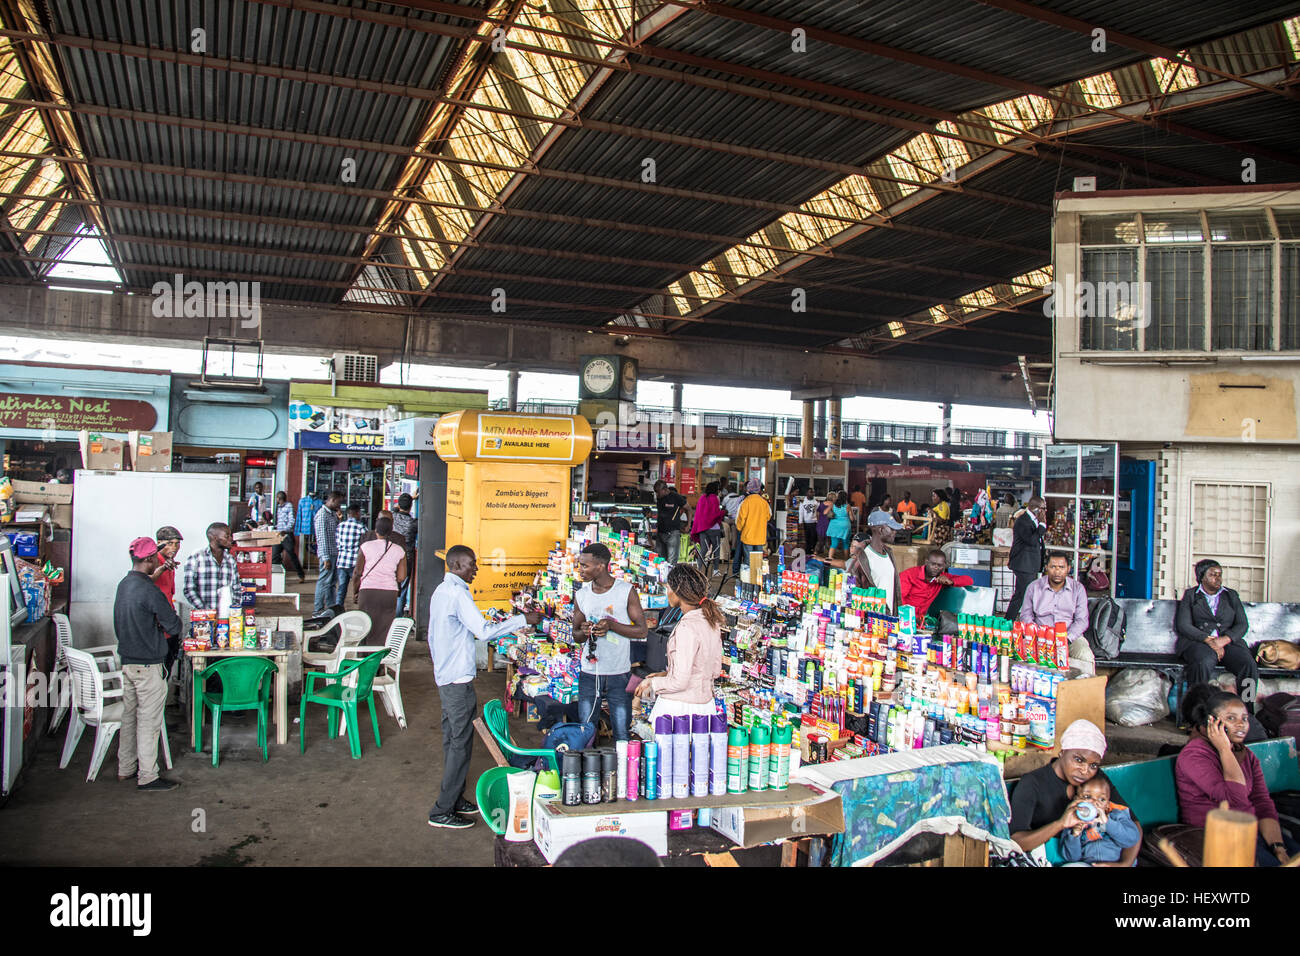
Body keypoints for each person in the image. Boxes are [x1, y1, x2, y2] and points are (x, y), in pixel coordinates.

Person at [427, 545, 542, 829]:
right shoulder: (456, 594)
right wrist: (521, 620)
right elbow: (484, 632)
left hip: (446, 675)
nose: (476, 569)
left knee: (452, 738)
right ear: (456, 566)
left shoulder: (443, 591)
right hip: (456, 680)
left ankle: (454, 797)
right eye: (471, 565)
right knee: (460, 743)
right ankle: (442, 810)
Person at [1174, 684, 1297, 866]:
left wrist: (1278, 847)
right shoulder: (1194, 755)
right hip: (1217, 838)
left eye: (1244, 718)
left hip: (1250, 831)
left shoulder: (1243, 753)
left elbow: (1261, 801)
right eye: (1230, 718)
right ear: (1210, 721)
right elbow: (1236, 797)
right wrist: (1224, 749)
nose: (1241, 725)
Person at [1009, 719, 1142, 866]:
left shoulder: (1096, 781)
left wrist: (1124, 864)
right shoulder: (1033, 783)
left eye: (1093, 765)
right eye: (1078, 760)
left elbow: (1134, 825)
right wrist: (1060, 824)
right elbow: (1016, 842)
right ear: (1062, 752)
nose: (1085, 771)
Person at [113, 538, 182, 792]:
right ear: (151, 559)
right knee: (149, 721)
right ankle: (148, 776)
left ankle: (125, 769)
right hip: (149, 664)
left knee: (129, 717)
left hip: (128, 662)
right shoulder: (150, 591)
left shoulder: (125, 585)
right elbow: (173, 625)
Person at [570, 543, 648, 742]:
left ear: (601, 566)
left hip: (618, 673)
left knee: (621, 731)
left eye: (585, 566)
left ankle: (622, 772)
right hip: (589, 673)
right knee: (586, 729)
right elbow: (575, 635)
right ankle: (587, 771)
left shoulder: (625, 591)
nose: (580, 570)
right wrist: (584, 631)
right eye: (580, 565)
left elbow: (641, 630)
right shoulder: (582, 595)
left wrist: (612, 626)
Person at [633, 563, 723, 722]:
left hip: (679, 712)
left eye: (668, 587)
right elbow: (714, 671)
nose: (667, 593)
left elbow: (680, 682)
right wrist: (668, 674)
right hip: (706, 708)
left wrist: (652, 682)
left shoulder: (687, 628)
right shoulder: (711, 621)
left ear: (678, 592)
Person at [1175, 559, 1257, 713]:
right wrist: (1209, 640)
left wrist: (1224, 640)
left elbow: (1242, 624)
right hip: (1199, 642)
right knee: (1202, 663)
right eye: (1213, 575)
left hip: (1228, 642)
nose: (1218, 578)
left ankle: (1248, 710)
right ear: (1201, 577)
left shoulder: (1231, 595)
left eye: (1220, 574)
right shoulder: (1191, 595)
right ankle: (1197, 714)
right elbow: (1184, 625)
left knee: (1249, 665)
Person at [1018, 552, 1090, 668]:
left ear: (1068, 569)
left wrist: (1066, 639)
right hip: (1040, 637)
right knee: (1022, 656)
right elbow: (1026, 615)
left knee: (1085, 655)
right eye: (1053, 567)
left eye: (1061, 567)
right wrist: (1037, 635)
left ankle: (1086, 685)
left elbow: (1082, 620)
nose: (1057, 571)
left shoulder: (1078, 589)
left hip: (1069, 637)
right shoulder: (1034, 587)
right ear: (1046, 568)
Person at [1056, 771, 1142, 865]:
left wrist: (1108, 823)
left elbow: (1131, 840)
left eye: (1102, 799)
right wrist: (1075, 835)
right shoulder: (1073, 823)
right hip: (1088, 864)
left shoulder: (1116, 816)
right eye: (1087, 796)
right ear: (1076, 800)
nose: (1095, 803)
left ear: (1107, 804)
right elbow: (1071, 857)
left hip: (1116, 863)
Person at [351, 515, 407, 645]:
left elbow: (357, 573)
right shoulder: (399, 550)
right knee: (384, 628)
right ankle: (380, 659)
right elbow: (401, 577)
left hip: (368, 591)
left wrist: (355, 591)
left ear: (376, 531)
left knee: (365, 624)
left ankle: (364, 658)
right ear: (391, 531)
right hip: (389, 593)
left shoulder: (365, 547)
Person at [848, 512, 903, 612]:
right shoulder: (861, 559)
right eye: (892, 529)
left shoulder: (889, 554)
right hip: (872, 621)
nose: (895, 532)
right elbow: (850, 592)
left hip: (889, 619)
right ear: (881, 530)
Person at [898, 549, 974, 621]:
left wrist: (951, 581)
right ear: (926, 562)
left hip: (922, 620)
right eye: (933, 564)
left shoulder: (942, 578)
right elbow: (899, 599)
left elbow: (969, 580)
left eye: (939, 565)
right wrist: (911, 617)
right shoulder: (909, 575)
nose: (936, 567)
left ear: (944, 565)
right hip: (904, 618)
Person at [181, 522, 238, 611]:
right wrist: (206, 611)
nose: (231, 539)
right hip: (203, 618)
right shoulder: (197, 557)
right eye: (227, 536)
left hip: (227, 617)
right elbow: (189, 589)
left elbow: (236, 588)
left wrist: (234, 609)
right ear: (214, 537)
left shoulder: (230, 560)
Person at [1007, 496, 1047, 620]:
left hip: (1030, 564)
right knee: (1021, 594)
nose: (1045, 511)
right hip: (1024, 564)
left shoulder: (1032, 520)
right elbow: (1031, 540)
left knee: (1028, 594)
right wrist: (1042, 526)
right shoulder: (1023, 521)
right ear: (1037, 509)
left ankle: (1027, 621)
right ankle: (1008, 621)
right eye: (1044, 508)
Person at [151, 526, 183, 675]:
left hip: (169, 625)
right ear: (159, 543)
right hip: (158, 628)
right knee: (160, 672)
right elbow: (147, 580)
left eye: (177, 543)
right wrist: (162, 567)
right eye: (170, 543)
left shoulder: (169, 562)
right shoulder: (153, 560)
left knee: (166, 670)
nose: (174, 547)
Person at [312, 491, 343, 617]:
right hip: (327, 554)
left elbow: (336, 532)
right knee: (324, 581)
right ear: (333, 500)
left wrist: (339, 518)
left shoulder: (332, 514)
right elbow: (322, 538)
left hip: (334, 552)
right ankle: (318, 609)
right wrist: (325, 558)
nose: (340, 505)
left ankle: (331, 608)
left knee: (331, 582)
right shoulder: (322, 515)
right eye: (339, 502)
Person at [732, 479, 771, 576]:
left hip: (747, 536)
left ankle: (748, 578)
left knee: (748, 560)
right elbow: (768, 516)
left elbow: (740, 520)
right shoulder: (764, 503)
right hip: (760, 536)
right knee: (758, 560)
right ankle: (757, 578)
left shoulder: (745, 502)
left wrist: (740, 529)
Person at [689, 481, 724, 578]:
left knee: (703, 549)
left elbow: (699, 514)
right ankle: (715, 570)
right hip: (714, 529)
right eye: (718, 489)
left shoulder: (702, 498)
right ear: (715, 490)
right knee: (716, 549)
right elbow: (715, 514)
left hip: (702, 528)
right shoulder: (715, 498)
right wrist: (723, 512)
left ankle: (699, 570)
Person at [333, 504, 366, 606]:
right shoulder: (361, 527)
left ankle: (338, 610)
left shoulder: (340, 526)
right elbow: (365, 545)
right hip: (355, 563)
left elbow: (337, 544)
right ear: (356, 513)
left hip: (342, 562)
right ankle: (361, 608)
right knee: (360, 587)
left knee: (341, 588)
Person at [392, 493, 418, 616]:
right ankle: (397, 618)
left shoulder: (393, 516)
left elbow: (395, 507)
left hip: (391, 557)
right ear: (411, 506)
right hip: (406, 559)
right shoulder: (412, 523)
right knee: (402, 590)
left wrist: (410, 498)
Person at [272, 491, 305, 582]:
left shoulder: (289, 506)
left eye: (277, 498)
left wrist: (285, 530)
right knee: (274, 555)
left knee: (291, 555)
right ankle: (278, 575)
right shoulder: (278, 507)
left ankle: (301, 575)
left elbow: (291, 520)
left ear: (279, 498)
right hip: (278, 534)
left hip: (286, 535)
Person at [653, 480, 688, 563]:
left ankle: (670, 576)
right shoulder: (659, 499)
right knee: (659, 561)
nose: (656, 494)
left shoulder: (676, 497)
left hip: (672, 534)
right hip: (661, 533)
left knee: (671, 562)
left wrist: (688, 525)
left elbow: (689, 509)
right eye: (655, 492)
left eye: (658, 492)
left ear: (664, 489)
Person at [295, 491, 321, 565]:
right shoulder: (302, 501)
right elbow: (299, 515)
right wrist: (297, 530)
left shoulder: (319, 502)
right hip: (305, 528)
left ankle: (313, 562)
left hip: (316, 528)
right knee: (305, 545)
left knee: (315, 544)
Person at [825, 491, 852, 560]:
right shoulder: (847, 506)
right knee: (845, 544)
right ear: (846, 498)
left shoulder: (833, 505)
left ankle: (830, 559)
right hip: (845, 526)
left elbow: (826, 513)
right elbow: (852, 518)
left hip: (834, 526)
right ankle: (846, 560)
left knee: (834, 543)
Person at [798, 490, 819, 557]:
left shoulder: (815, 502)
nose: (812, 493)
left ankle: (812, 550)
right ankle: (807, 551)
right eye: (810, 492)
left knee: (814, 537)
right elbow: (801, 512)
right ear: (807, 493)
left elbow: (818, 510)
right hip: (806, 522)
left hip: (814, 522)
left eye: (813, 492)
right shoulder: (803, 502)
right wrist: (800, 521)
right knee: (807, 537)